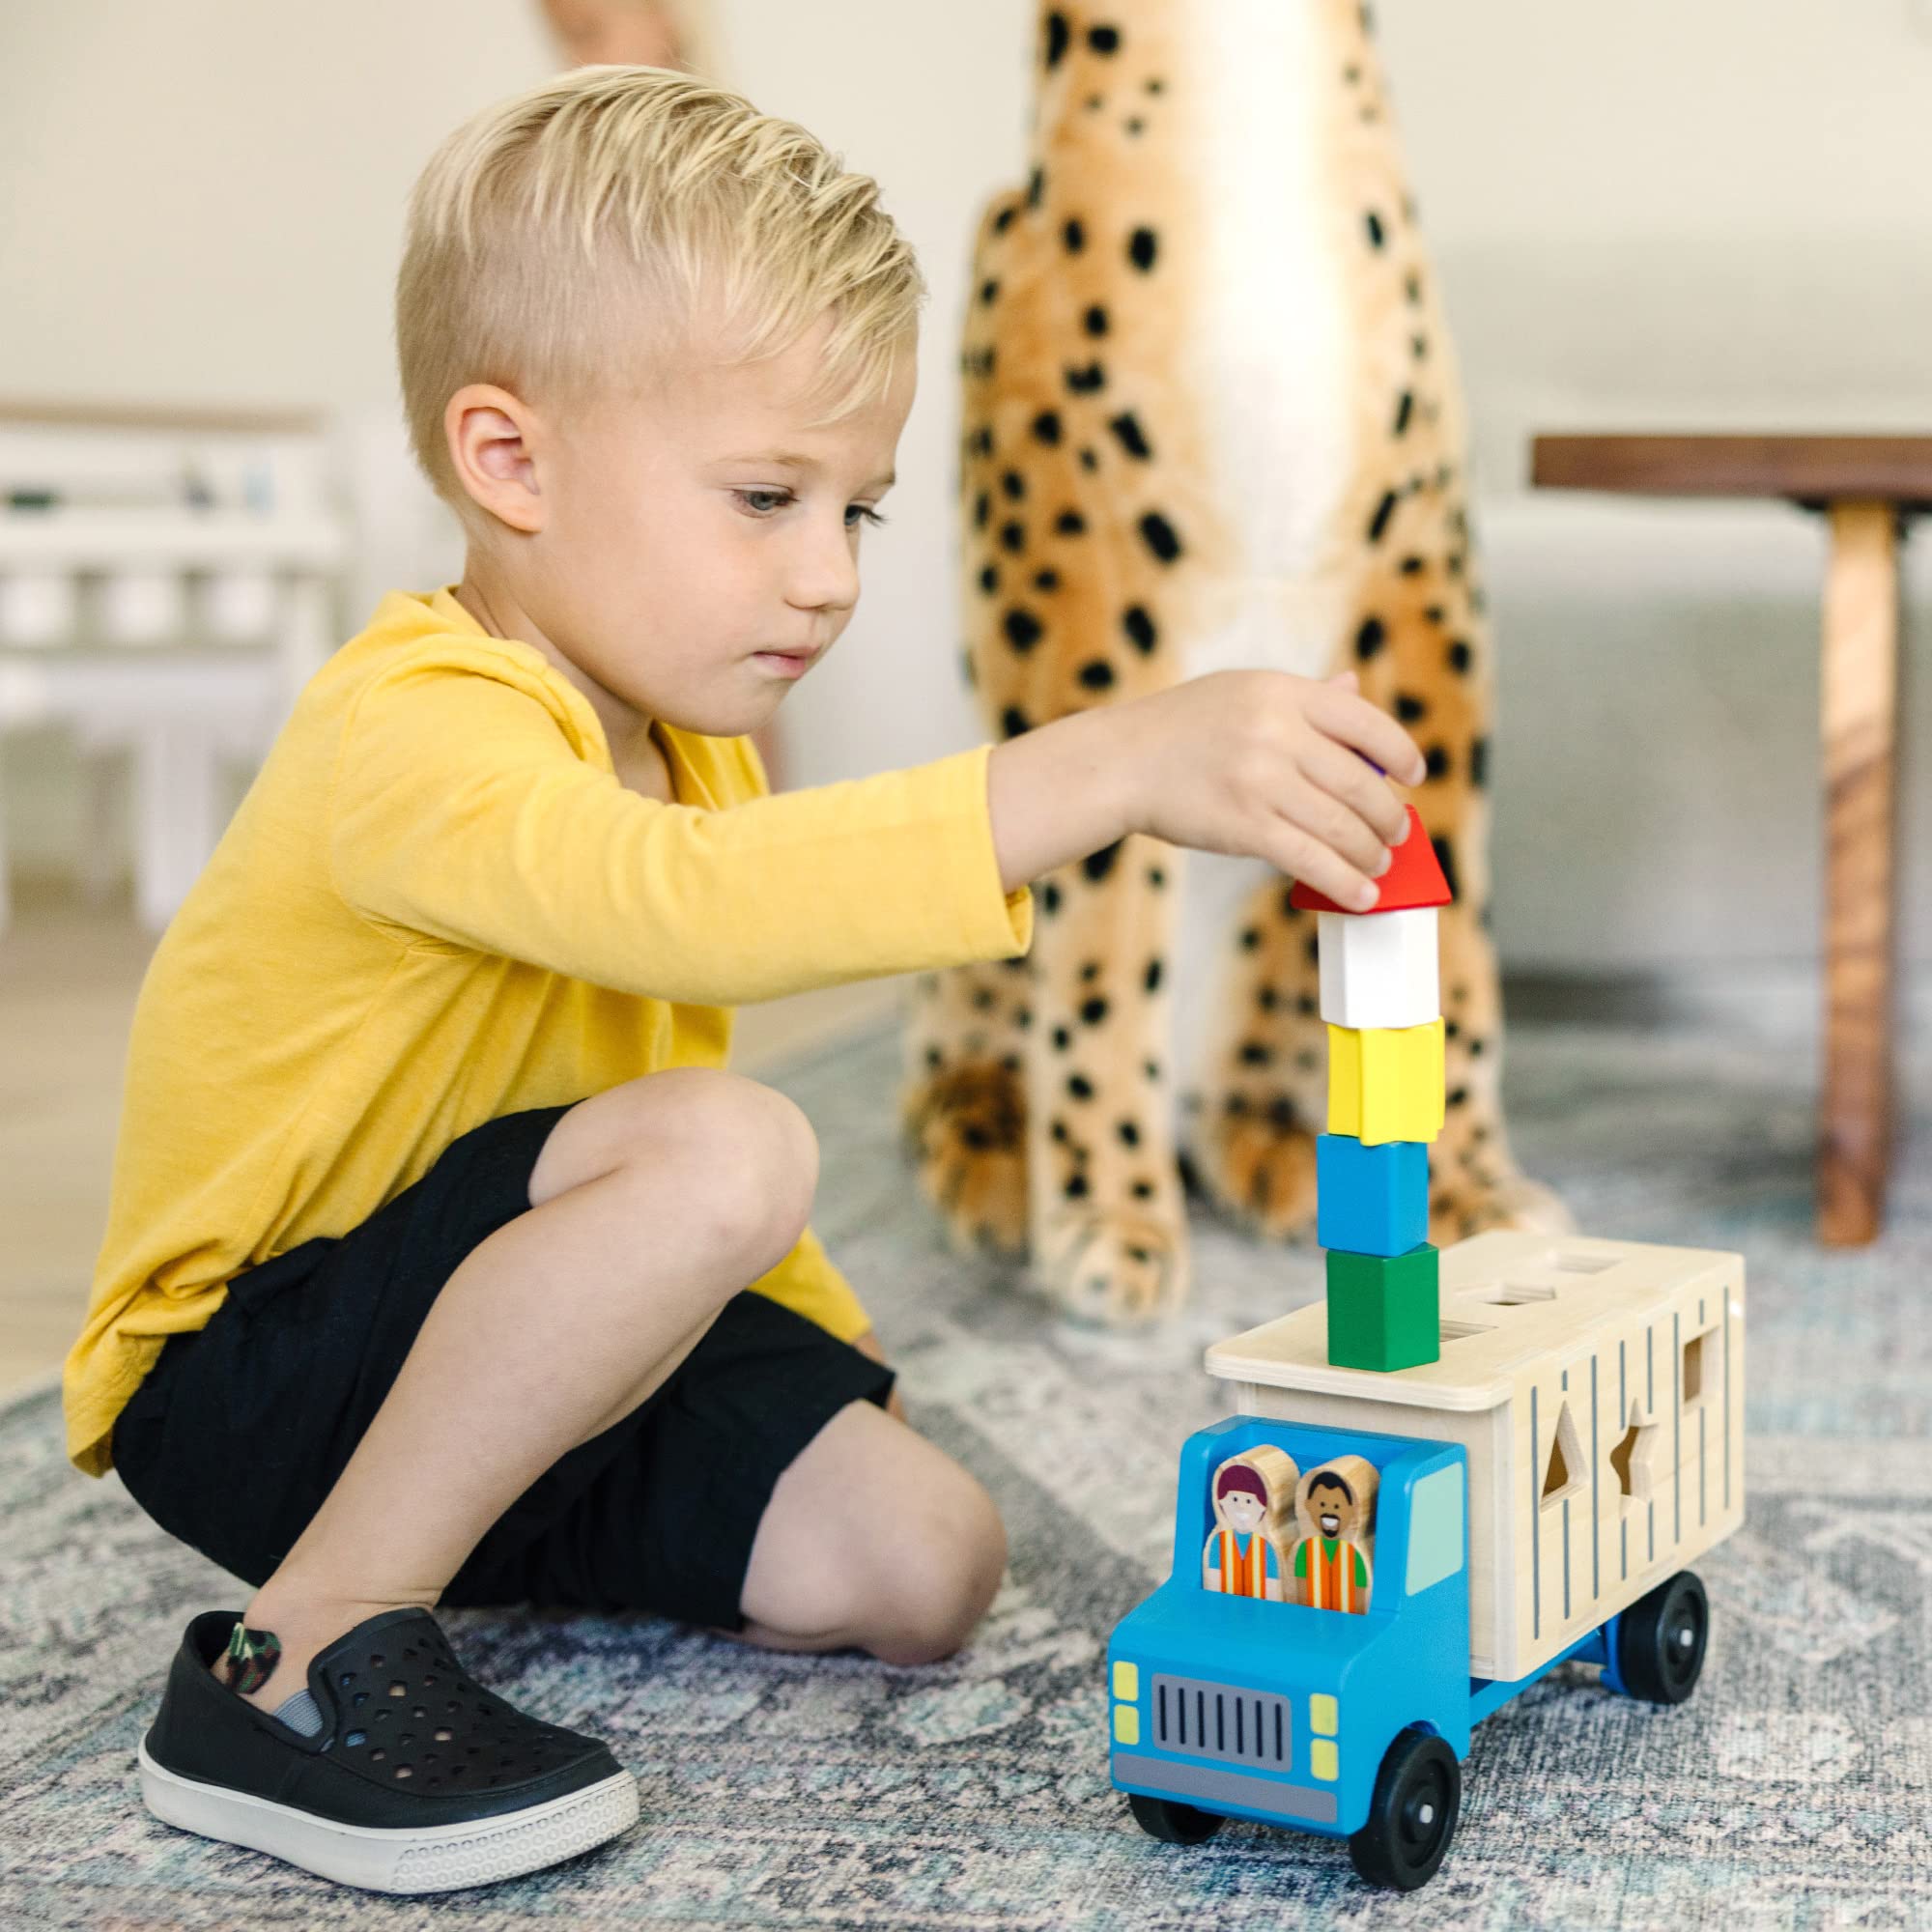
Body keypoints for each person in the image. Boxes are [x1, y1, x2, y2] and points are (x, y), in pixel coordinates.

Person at [62, 67, 1427, 1894]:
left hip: (486, 1328)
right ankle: (295, 1660)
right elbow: (690, 926)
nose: (827, 575)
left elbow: (628, 1068)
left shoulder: (683, 736)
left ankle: (463, 1520)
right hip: (257, 1368)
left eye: (857, 512)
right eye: (768, 497)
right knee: (732, 1143)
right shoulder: (417, 724)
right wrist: (1103, 765)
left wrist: (820, 1371)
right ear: (510, 461)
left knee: (924, 1560)